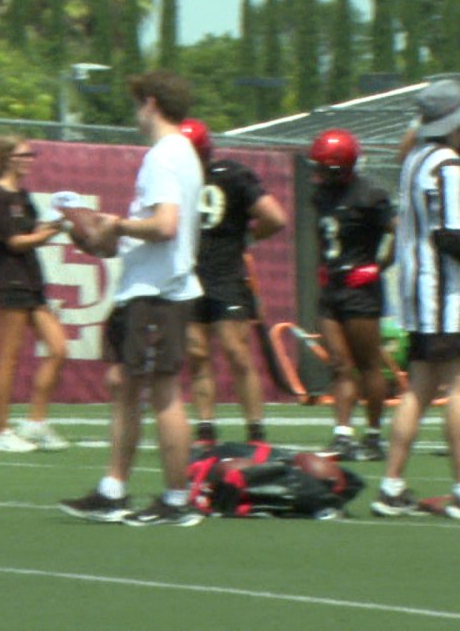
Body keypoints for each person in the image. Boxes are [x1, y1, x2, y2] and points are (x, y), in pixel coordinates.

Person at [58, 70, 205, 527]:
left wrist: (118, 225)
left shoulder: (165, 156)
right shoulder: (180, 153)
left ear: (152, 103)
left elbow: (164, 226)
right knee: (124, 387)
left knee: (163, 393)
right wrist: (106, 233)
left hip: (158, 292)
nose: (135, 111)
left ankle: (177, 499)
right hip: (149, 287)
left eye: (138, 102)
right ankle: (113, 489)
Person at [372, 79, 460, 519]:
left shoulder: (415, 159)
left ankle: (390, 486)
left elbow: (439, 229)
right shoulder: (448, 162)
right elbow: (447, 236)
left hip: (419, 293)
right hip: (444, 293)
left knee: (420, 389)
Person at [178, 118, 287, 447]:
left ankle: (255, 430)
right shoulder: (174, 181)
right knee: (197, 354)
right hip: (188, 274)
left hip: (225, 275)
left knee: (236, 352)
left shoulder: (232, 175)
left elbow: (275, 217)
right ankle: (206, 428)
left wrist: (248, 238)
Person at [308, 128, 395, 462]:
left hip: (361, 290)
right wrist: (321, 265)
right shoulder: (322, 195)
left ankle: (373, 435)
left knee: (368, 364)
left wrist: (377, 267)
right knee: (340, 365)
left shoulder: (371, 195)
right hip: (333, 288)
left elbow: (396, 235)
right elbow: (322, 236)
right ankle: (343, 434)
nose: (317, 173)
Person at [0, 136, 71, 453]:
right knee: (9, 358)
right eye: (24, 155)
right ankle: (0, 431)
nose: (30, 159)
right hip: (11, 281)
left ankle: (35, 422)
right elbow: (15, 242)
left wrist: (62, 218)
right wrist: (49, 233)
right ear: (8, 158)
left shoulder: (22, 195)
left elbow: (35, 230)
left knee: (58, 347)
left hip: (31, 283)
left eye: (31, 154)